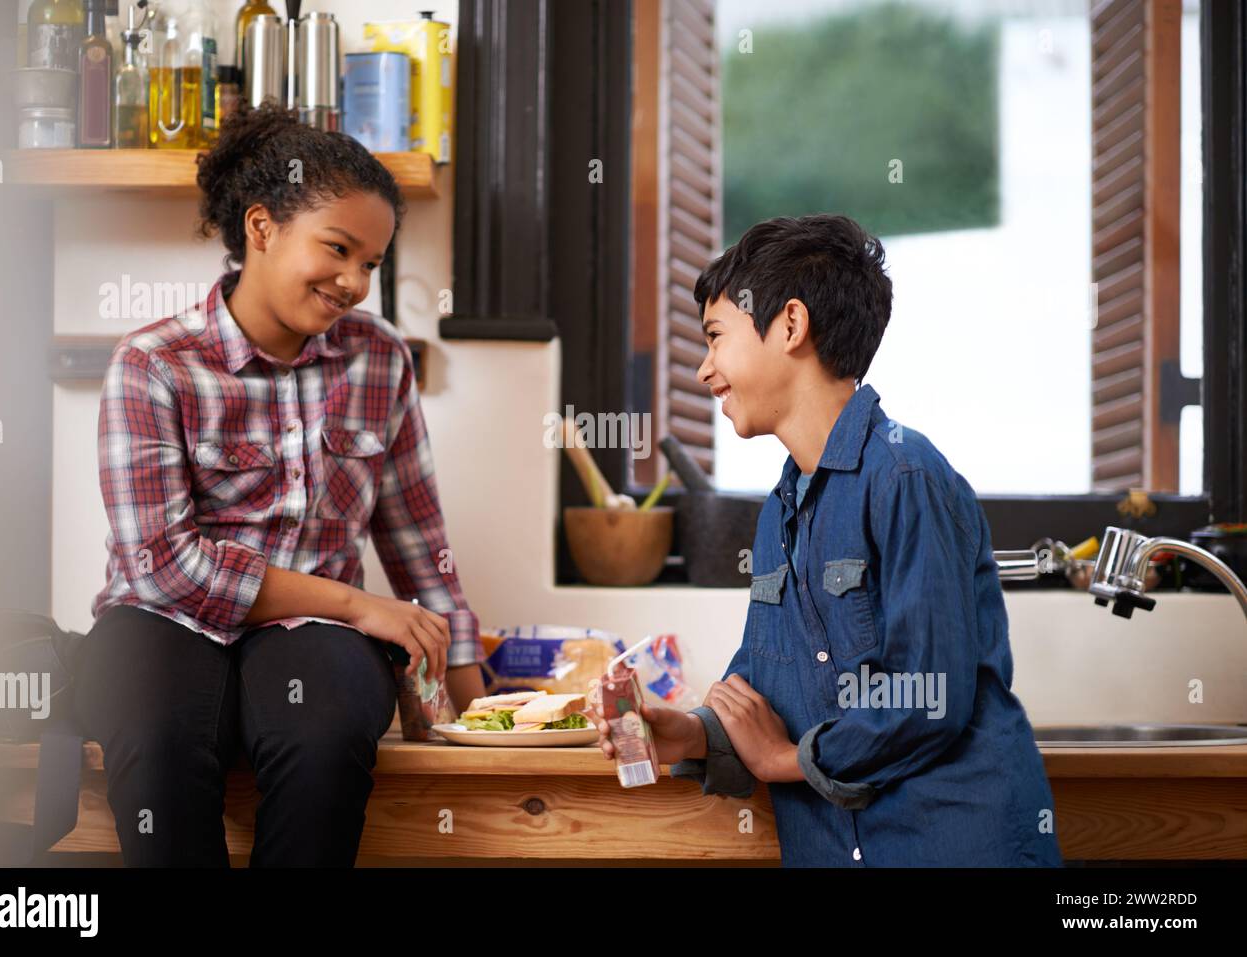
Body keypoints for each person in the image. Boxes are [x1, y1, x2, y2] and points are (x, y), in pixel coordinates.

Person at [75, 104, 486, 867]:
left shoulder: (380, 361)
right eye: (338, 249)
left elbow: (424, 555)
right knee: (159, 733)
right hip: (160, 622)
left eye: (372, 263)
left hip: (315, 646)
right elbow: (165, 564)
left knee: (325, 734)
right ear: (261, 228)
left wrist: (488, 717)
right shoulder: (154, 362)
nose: (356, 282)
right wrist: (359, 605)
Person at [595, 214, 1062, 867]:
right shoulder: (780, 513)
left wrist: (791, 759)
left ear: (790, 324)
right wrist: (684, 732)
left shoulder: (906, 475)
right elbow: (759, 692)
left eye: (715, 338)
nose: (704, 371)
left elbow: (929, 693)